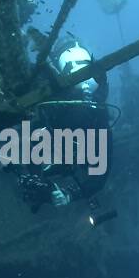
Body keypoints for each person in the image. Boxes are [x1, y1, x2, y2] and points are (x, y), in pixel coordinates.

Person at [17, 35, 112, 212]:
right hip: (62, 139)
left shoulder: (67, 110)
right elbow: (99, 178)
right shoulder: (95, 117)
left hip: (61, 138)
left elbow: (99, 177)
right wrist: (65, 193)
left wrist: (66, 193)